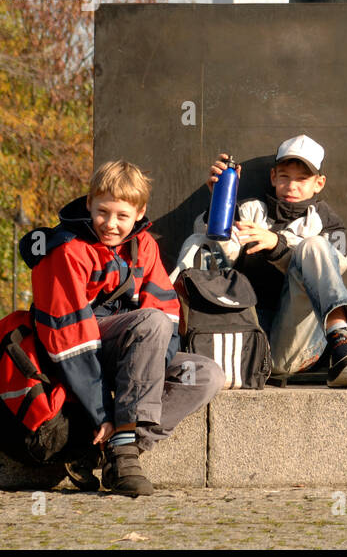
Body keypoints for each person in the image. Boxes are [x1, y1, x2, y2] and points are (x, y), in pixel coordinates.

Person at [30, 160, 223, 496]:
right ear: (89, 203)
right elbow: (70, 341)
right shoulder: (67, 250)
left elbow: (167, 313)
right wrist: (100, 411)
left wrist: (147, 373)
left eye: (122, 215)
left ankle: (120, 448)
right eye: (102, 212)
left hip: (135, 349)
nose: (110, 224)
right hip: (79, 354)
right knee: (150, 322)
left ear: (139, 212)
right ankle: (121, 450)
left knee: (206, 375)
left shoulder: (143, 245)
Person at [199, 135, 347, 389]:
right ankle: (179, 344)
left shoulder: (327, 221)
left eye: (302, 179)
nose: (292, 186)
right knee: (198, 242)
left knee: (314, 246)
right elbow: (210, 248)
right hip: (246, 343)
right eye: (285, 177)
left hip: (294, 346)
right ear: (273, 177)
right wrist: (219, 201)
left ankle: (343, 354)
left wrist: (278, 245)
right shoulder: (249, 210)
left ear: (318, 183)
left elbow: (334, 270)